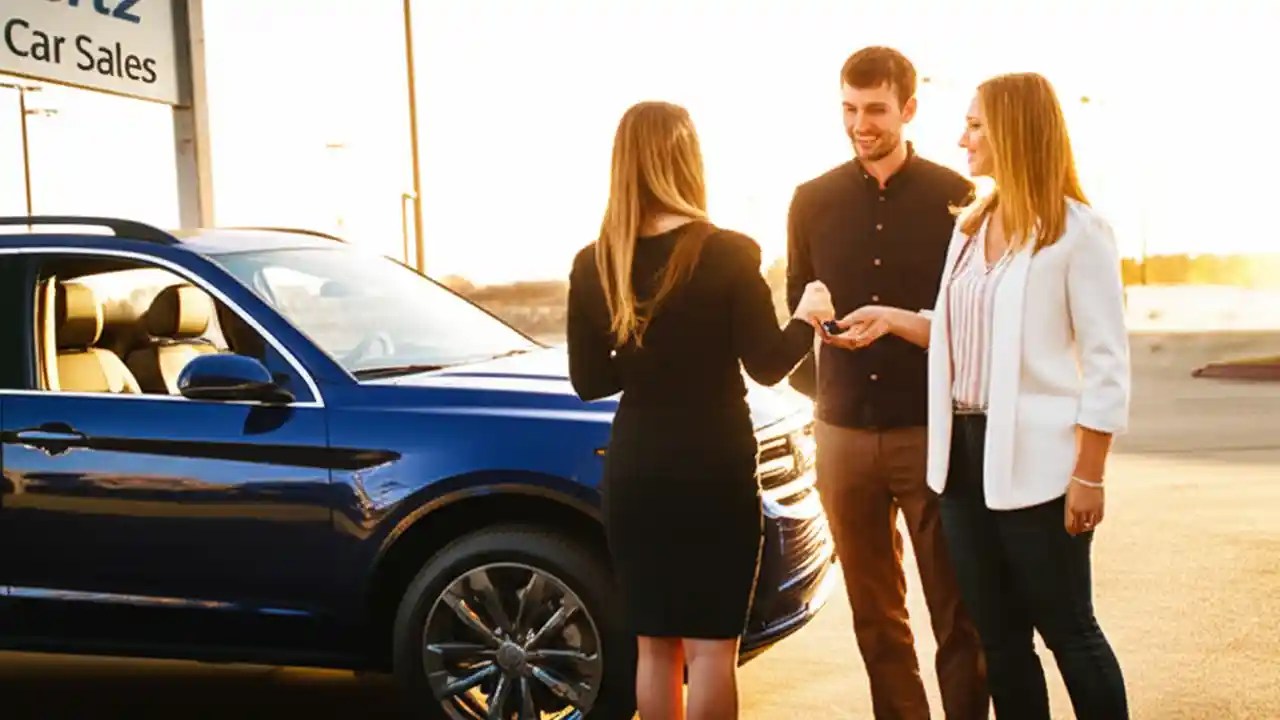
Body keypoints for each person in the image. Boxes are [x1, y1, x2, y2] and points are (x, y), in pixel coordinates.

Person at [827, 71, 1131, 719]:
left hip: (1038, 463)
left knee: (1070, 632)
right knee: (1000, 640)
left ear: (1014, 132)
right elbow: (959, 332)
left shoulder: (1077, 232)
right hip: (960, 463)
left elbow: (1108, 364)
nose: (962, 139)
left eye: (975, 126)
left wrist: (1090, 475)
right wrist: (890, 318)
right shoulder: (970, 227)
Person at [567, 100, 834, 720]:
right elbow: (768, 364)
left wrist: (644, 352)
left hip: (638, 469)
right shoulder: (728, 252)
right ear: (689, 161)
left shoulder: (595, 261)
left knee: (656, 646)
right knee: (712, 648)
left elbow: (590, 380)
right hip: (714, 468)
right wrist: (808, 317)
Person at [785, 46, 989, 719]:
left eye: (875, 109)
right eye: (849, 108)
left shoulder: (958, 199)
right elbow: (797, 299)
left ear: (909, 108)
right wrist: (816, 342)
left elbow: (974, 316)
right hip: (840, 435)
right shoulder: (810, 200)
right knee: (875, 617)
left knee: (958, 610)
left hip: (931, 430)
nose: (859, 124)